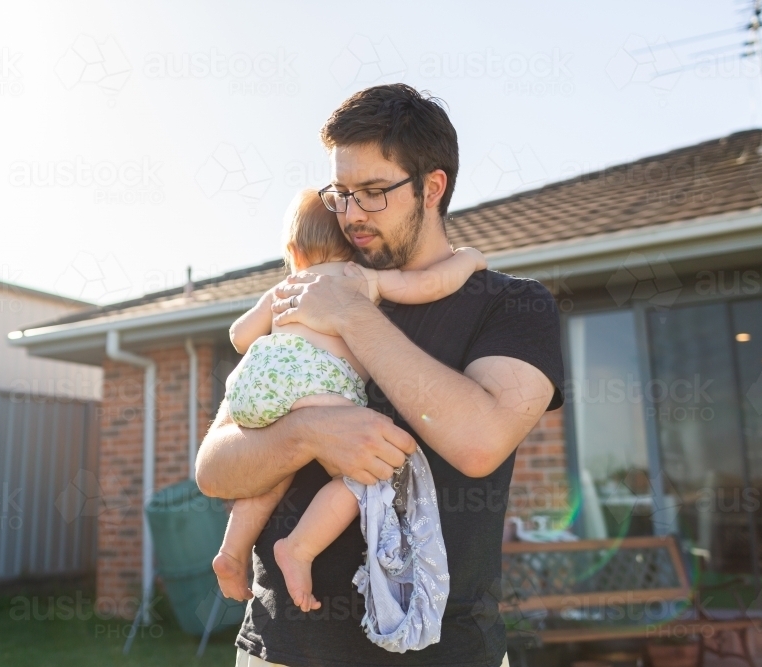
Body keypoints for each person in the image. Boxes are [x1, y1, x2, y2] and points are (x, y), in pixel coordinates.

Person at [196, 83, 565, 667]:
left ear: (432, 187)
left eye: (372, 193)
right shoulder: (308, 292)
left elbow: (479, 442)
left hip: (444, 651)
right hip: (285, 650)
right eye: (340, 194)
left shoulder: (512, 307)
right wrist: (308, 435)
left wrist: (352, 312)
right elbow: (214, 470)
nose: (351, 215)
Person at [213, 187, 487, 651]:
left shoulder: (286, 286)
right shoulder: (355, 276)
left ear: (293, 251)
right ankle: (297, 547)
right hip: (317, 384)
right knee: (364, 473)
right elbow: (429, 285)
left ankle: (232, 550)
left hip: (257, 380)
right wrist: (468, 259)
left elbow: (240, 336)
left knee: (273, 468)